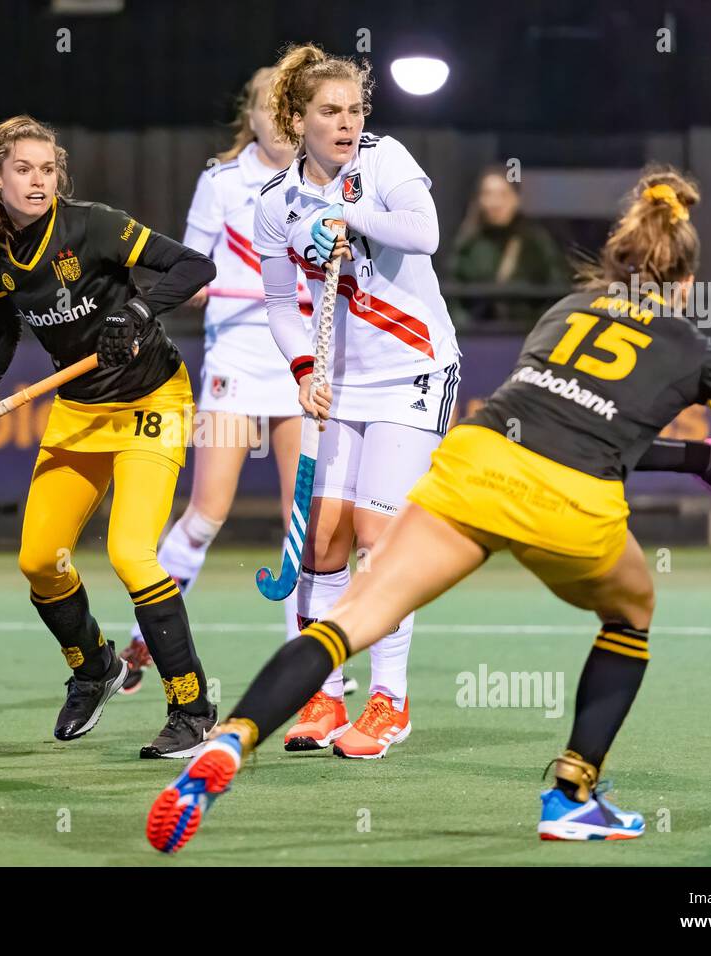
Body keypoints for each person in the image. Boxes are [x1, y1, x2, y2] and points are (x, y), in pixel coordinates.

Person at [148, 167, 711, 851]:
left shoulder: (565, 310)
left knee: (350, 619)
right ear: (685, 281)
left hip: (474, 467)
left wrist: (705, 459)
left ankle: (231, 740)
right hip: (569, 503)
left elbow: (567, 421)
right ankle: (572, 797)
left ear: (619, 258)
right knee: (632, 611)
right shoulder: (696, 348)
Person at [0, 116, 218, 758]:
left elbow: (195, 265)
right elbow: (2, 332)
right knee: (39, 561)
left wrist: (136, 310)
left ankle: (192, 709)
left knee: (132, 553)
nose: (38, 180)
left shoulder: (91, 225)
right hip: (79, 412)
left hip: (153, 398)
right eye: (23, 169)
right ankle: (95, 667)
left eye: (47, 169)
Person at [248, 43, 462, 759]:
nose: (346, 124)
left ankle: (389, 702)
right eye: (330, 112)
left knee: (379, 539)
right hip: (339, 381)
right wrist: (304, 365)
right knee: (323, 538)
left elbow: (425, 233)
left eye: (355, 110)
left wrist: (351, 216)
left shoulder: (384, 161)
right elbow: (281, 304)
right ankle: (322, 695)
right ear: (297, 119)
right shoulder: (274, 204)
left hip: (414, 373)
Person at [118, 67, 317, 697]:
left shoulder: (332, 183)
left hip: (304, 358)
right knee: (206, 512)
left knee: (301, 521)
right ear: (251, 118)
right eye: (268, 108)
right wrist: (197, 287)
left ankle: (307, 670)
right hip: (236, 354)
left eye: (290, 109)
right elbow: (192, 264)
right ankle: (147, 637)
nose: (280, 121)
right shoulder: (223, 181)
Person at [447, 164, 568, 327]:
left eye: (503, 194)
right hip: (477, 338)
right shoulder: (468, 243)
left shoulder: (536, 241)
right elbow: (453, 298)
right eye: (488, 194)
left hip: (526, 336)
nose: (495, 203)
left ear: (516, 199)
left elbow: (557, 289)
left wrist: (538, 328)